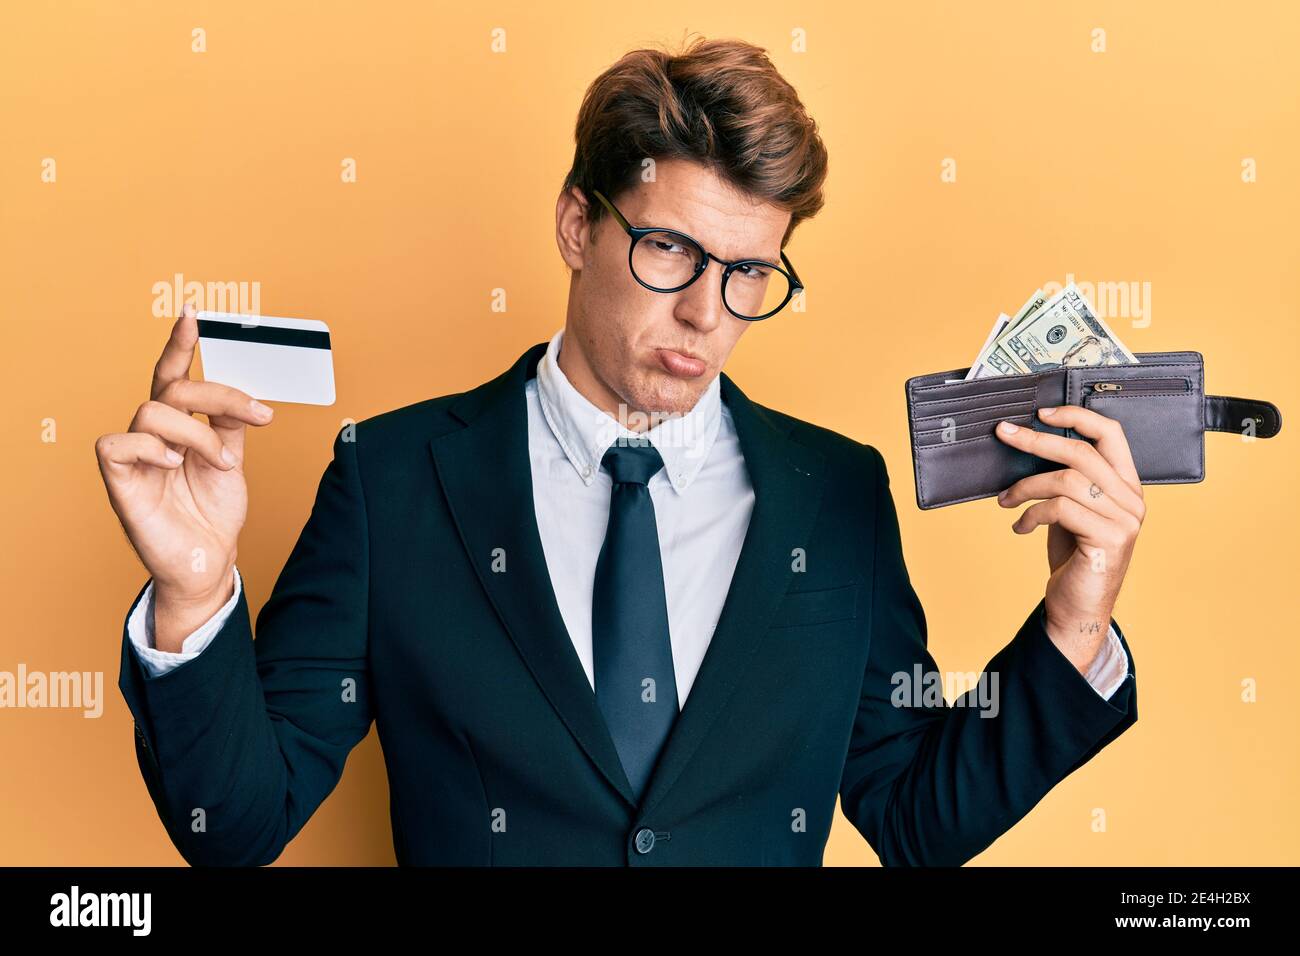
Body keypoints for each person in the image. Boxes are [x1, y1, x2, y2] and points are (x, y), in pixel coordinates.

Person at [95, 36, 1141, 867]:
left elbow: (918, 817)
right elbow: (231, 825)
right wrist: (192, 595)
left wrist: (1074, 617)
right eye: (668, 248)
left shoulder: (839, 496)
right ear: (574, 225)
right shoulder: (394, 479)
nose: (702, 312)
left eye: (747, 272)